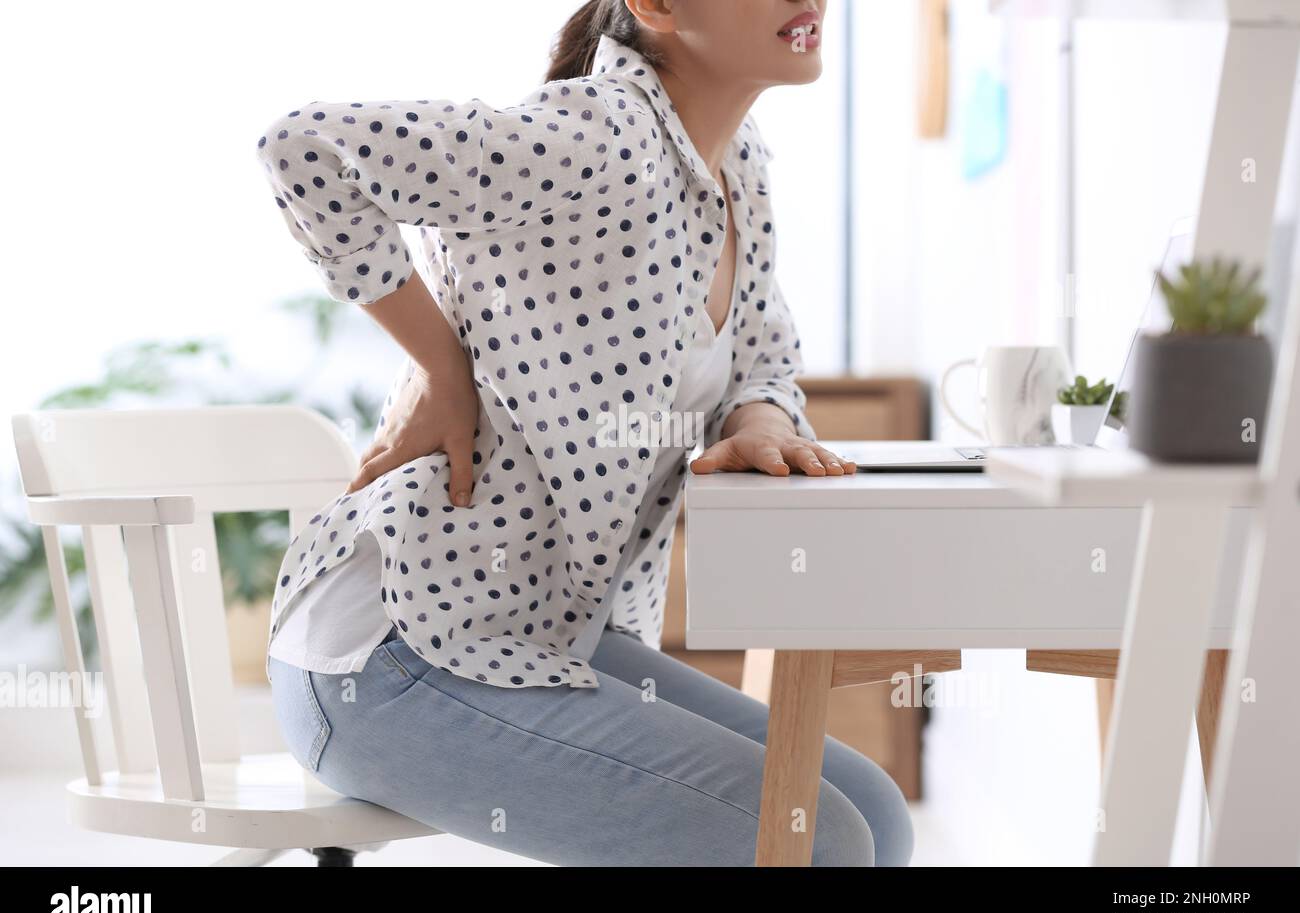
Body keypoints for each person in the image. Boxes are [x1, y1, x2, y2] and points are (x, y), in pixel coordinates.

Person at [254, 0, 912, 866]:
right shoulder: (590, 137)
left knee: (876, 814)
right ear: (657, 6)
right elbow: (303, 146)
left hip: (541, 636)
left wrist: (757, 417)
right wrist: (442, 369)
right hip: (390, 656)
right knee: (815, 840)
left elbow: (763, 359)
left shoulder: (736, 167)